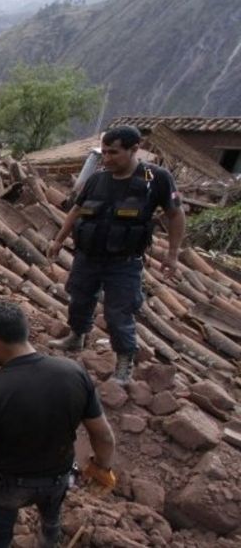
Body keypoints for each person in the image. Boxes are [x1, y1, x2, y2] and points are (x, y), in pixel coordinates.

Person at [0, 302, 117, 548]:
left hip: (3, 486)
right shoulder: (73, 372)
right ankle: (48, 539)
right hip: (58, 477)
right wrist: (103, 468)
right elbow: (103, 436)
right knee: (51, 517)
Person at [47, 125, 185, 384]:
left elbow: (176, 214)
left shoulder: (155, 179)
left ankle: (124, 361)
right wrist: (58, 240)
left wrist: (173, 254)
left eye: (114, 153)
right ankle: (77, 336)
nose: (107, 158)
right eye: (105, 152)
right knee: (78, 299)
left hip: (124, 262)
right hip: (87, 256)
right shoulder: (98, 179)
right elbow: (76, 211)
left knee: (118, 313)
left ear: (135, 150)